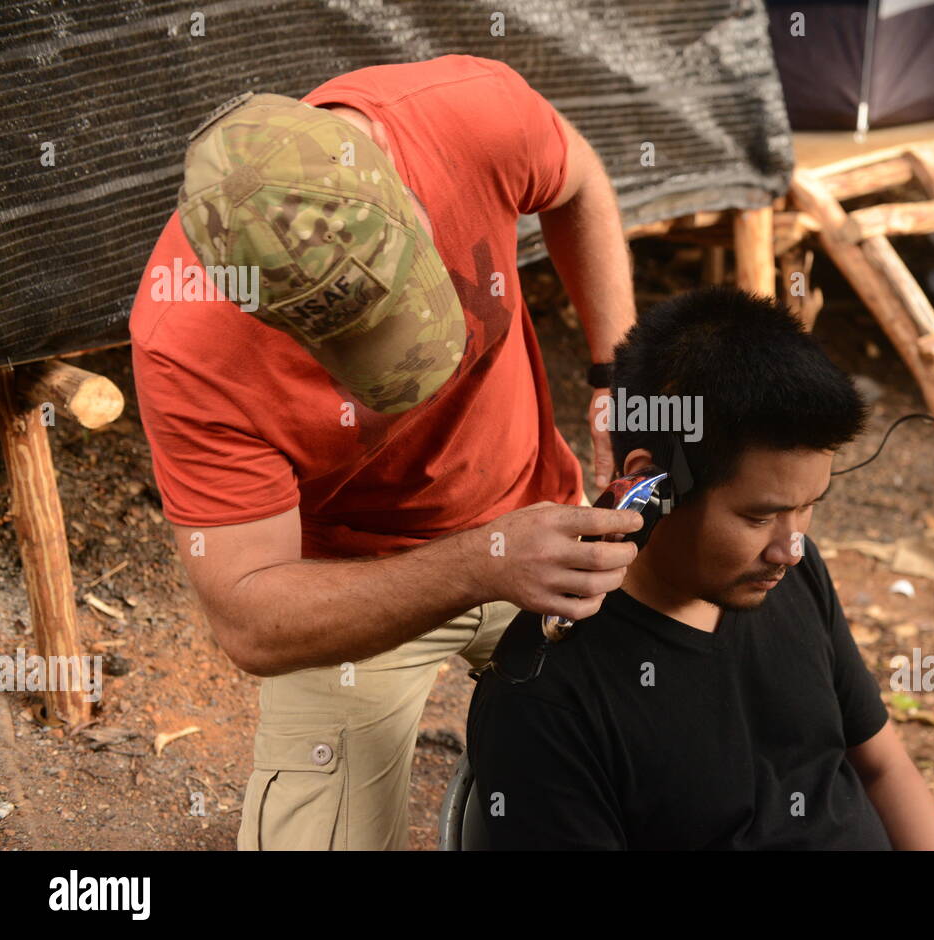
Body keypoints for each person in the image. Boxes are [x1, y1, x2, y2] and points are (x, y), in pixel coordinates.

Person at [129, 55, 646, 850]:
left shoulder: (468, 116)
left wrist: (618, 371)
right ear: (254, 303)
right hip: (352, 591)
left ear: (401, 185)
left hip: (537, 517)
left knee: (673, 764)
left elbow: (581, 183)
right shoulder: (187, 346)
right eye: (353, 341)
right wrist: (482, 562)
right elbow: (250, 622)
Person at [467, 286, 934, 850]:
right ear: (652, 486)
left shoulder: (795, 572)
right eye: (760, 515)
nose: (790, 547)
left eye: (809, 505)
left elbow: (882, 768)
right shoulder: (545, 696)